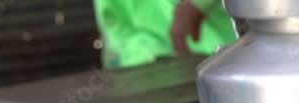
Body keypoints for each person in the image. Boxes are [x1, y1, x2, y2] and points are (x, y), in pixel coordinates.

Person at [94, 0, 238, 69]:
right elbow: (116, 27)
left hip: (234, 56)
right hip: (158, 76)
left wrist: (199, 3)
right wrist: (147, 56)